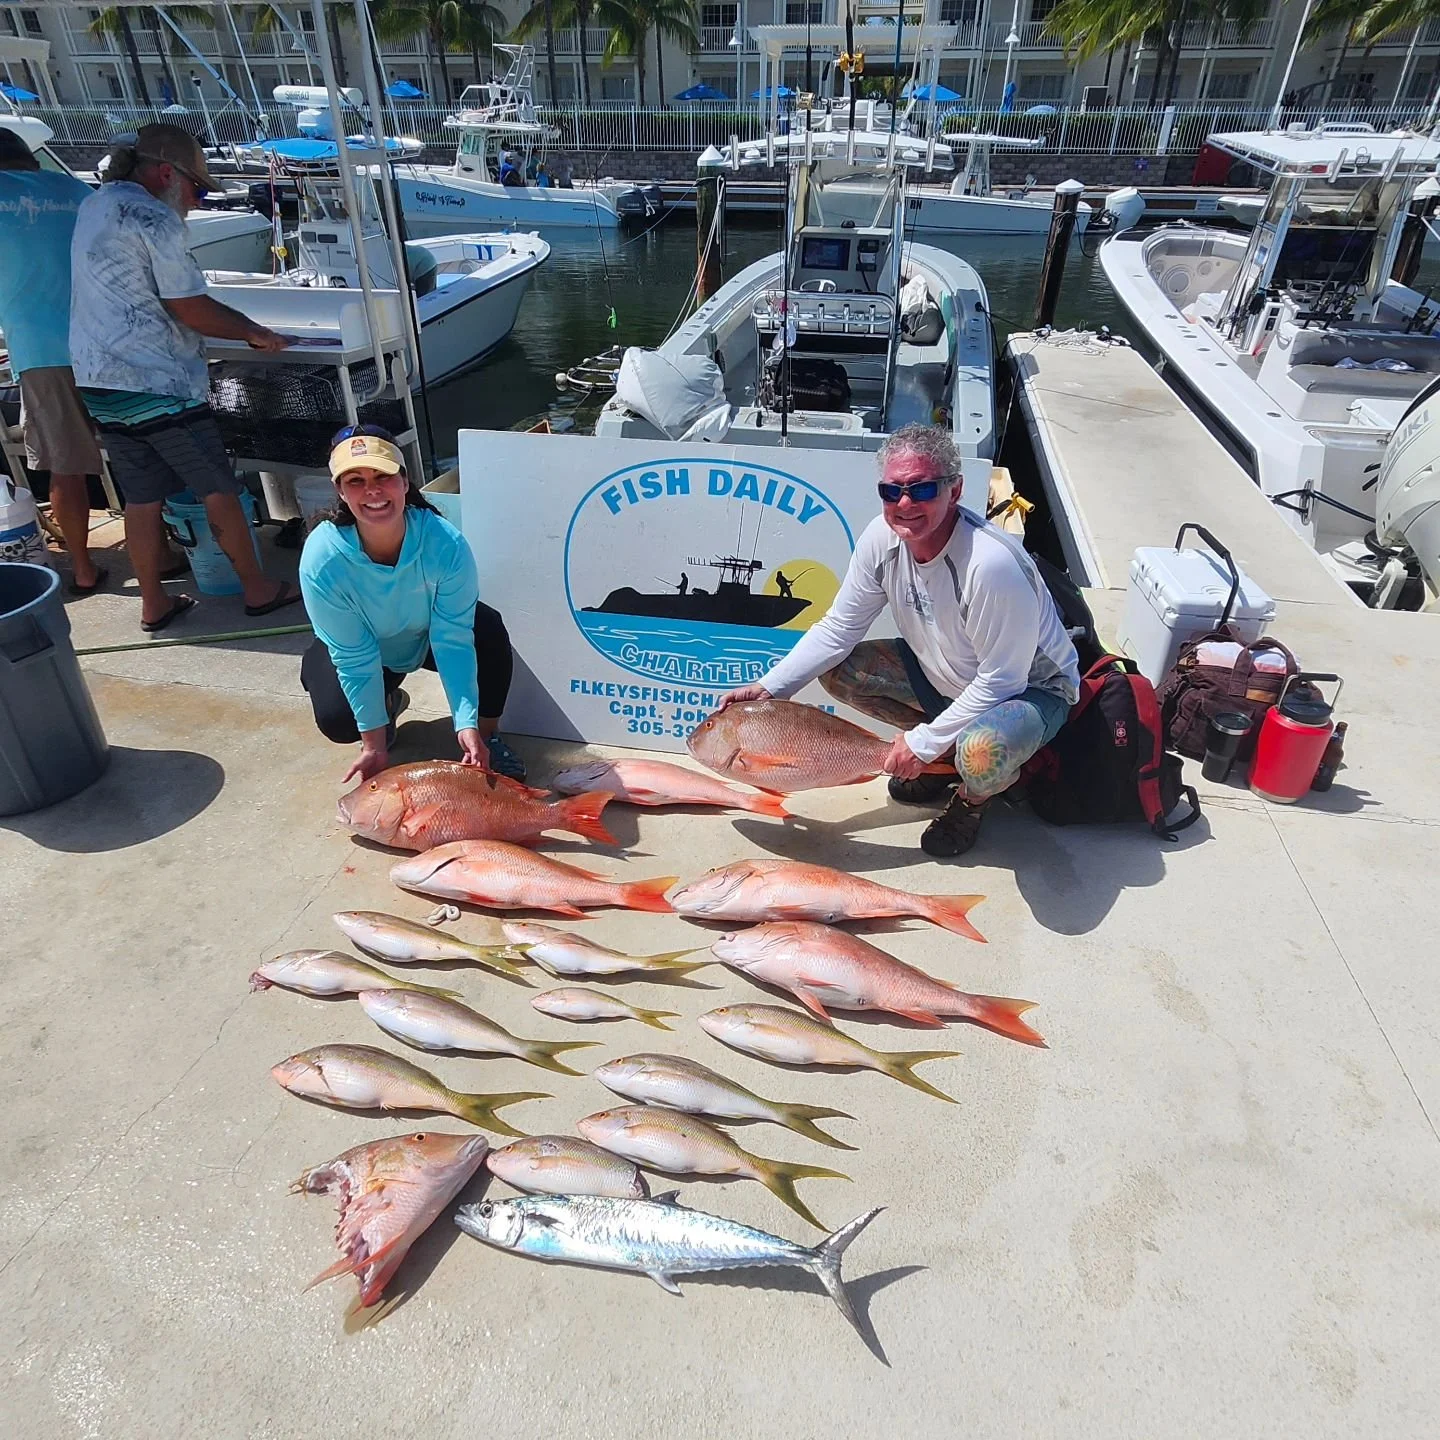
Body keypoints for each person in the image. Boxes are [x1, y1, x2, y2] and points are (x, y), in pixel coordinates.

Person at [717, 424, 1079, 858]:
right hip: (945, 676)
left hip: (1029, 691)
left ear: (956, 490)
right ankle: (940, 759)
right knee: (840, 670)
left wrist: (923, 740)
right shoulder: (881, 539)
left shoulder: (990, 565)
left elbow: (1002, 680)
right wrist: (770, 687)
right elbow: (839, 627)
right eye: (892, 492)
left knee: (983, 752)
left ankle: (970, 798)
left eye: (922, 490)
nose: (904, 505)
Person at [69, 123, 301, 633]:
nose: (196, 201)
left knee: (141, 497)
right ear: (165, 173)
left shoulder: (97, 204)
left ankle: (153, 602)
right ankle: (257, 590)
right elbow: (189, 307)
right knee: (217, 487)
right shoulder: (155, 217)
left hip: (98, 380)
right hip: (156, 380)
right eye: (196, 187)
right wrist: (254, 333)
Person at [299, 425, 526, 785]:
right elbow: (354, 656)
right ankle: (386, 706)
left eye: (383, 476)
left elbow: (452, 638)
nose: (372, 490)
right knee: (338, 720)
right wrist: (373, 743)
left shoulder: (445, 543)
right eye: (355, 480)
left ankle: (485, 739)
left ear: (405, 482)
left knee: (488, 629)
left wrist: (465, 723)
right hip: (368, 650)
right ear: (339, 491)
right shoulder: (321, 558)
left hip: (429, 640)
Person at [0, 124, 104, 592]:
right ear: (29, 159)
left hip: (40, 349)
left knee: (67, 464)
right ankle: (161, 552)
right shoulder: (75, 189)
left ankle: (82, 569)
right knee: (137, 451)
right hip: (109, 340)